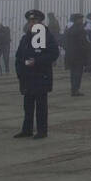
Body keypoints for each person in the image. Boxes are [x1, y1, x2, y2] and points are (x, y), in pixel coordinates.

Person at [14, 9, 59, 138]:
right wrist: (20, 72)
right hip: (27, 77)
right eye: (30, 21)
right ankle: (27, 129)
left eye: (34, 21)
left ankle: (42, 131)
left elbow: (53, 54)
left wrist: (37, 61)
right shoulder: (25, 38)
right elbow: (19, 57)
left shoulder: (46, 36)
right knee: (27, 106)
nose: (32, 23)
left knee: (40, 106)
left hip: (40, 76)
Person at [65, 13, 90, 96]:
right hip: (79, 54)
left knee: (73, 73)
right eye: (80, 19)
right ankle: (76, 90)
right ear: (77, 20)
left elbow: (66, 42)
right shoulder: (80, 30)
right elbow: (83, 43)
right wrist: (87, 49)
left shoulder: (70, 29)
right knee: (78, 73)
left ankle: (74, 89)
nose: (81, 20)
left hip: (71, 54)